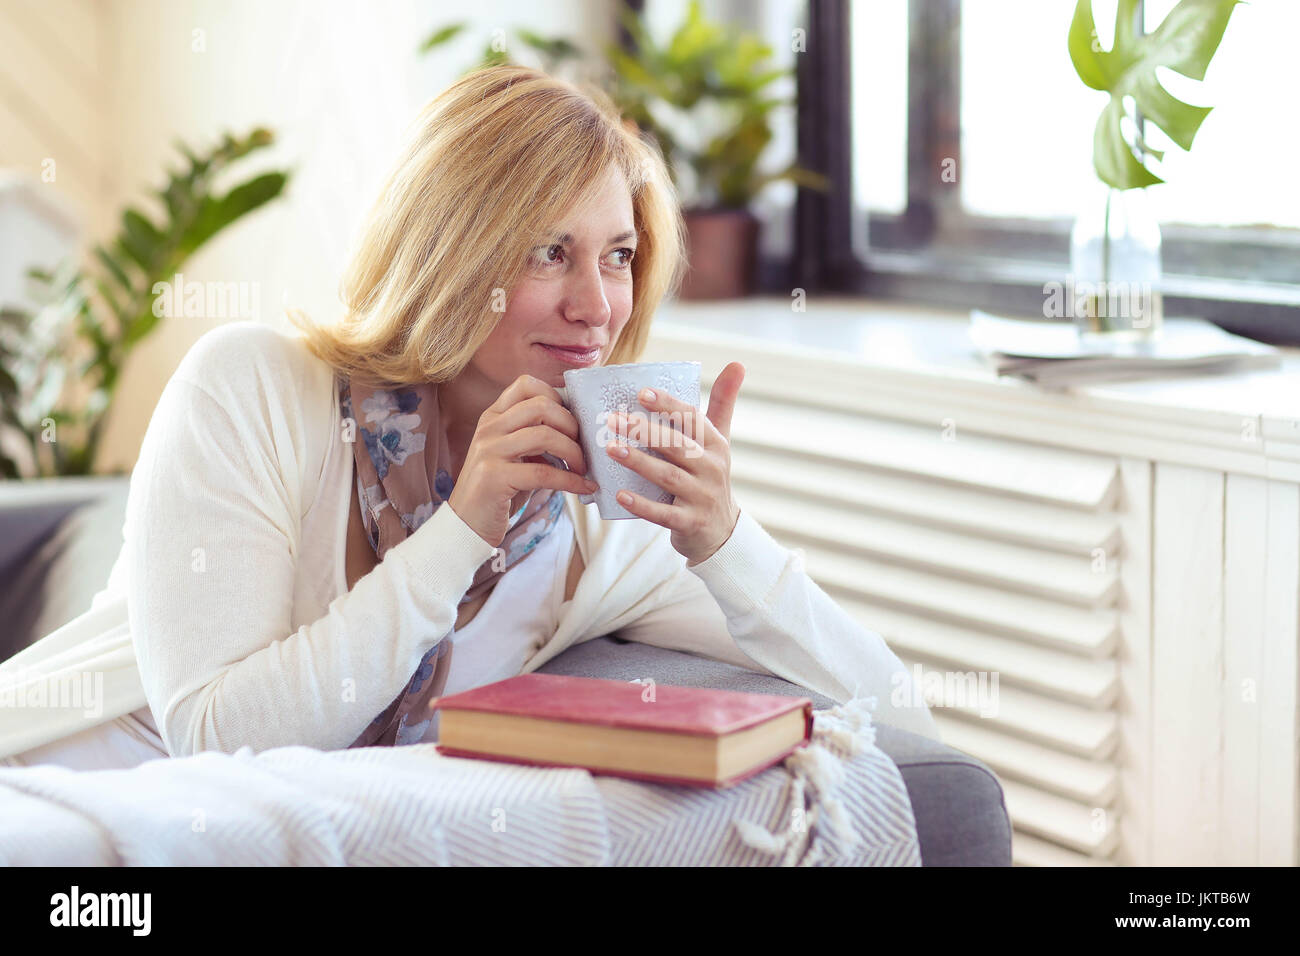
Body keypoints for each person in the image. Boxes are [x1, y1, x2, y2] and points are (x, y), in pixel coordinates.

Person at [0, 65, 937, 770]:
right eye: (546, 252)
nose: (597, 307)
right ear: (451, 255)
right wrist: (458, 533)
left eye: (617, 256)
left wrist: (724, 539)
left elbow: (899, 715)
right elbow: (210, 741)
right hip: (67, 811)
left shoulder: (591, 524)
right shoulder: (251, 390)